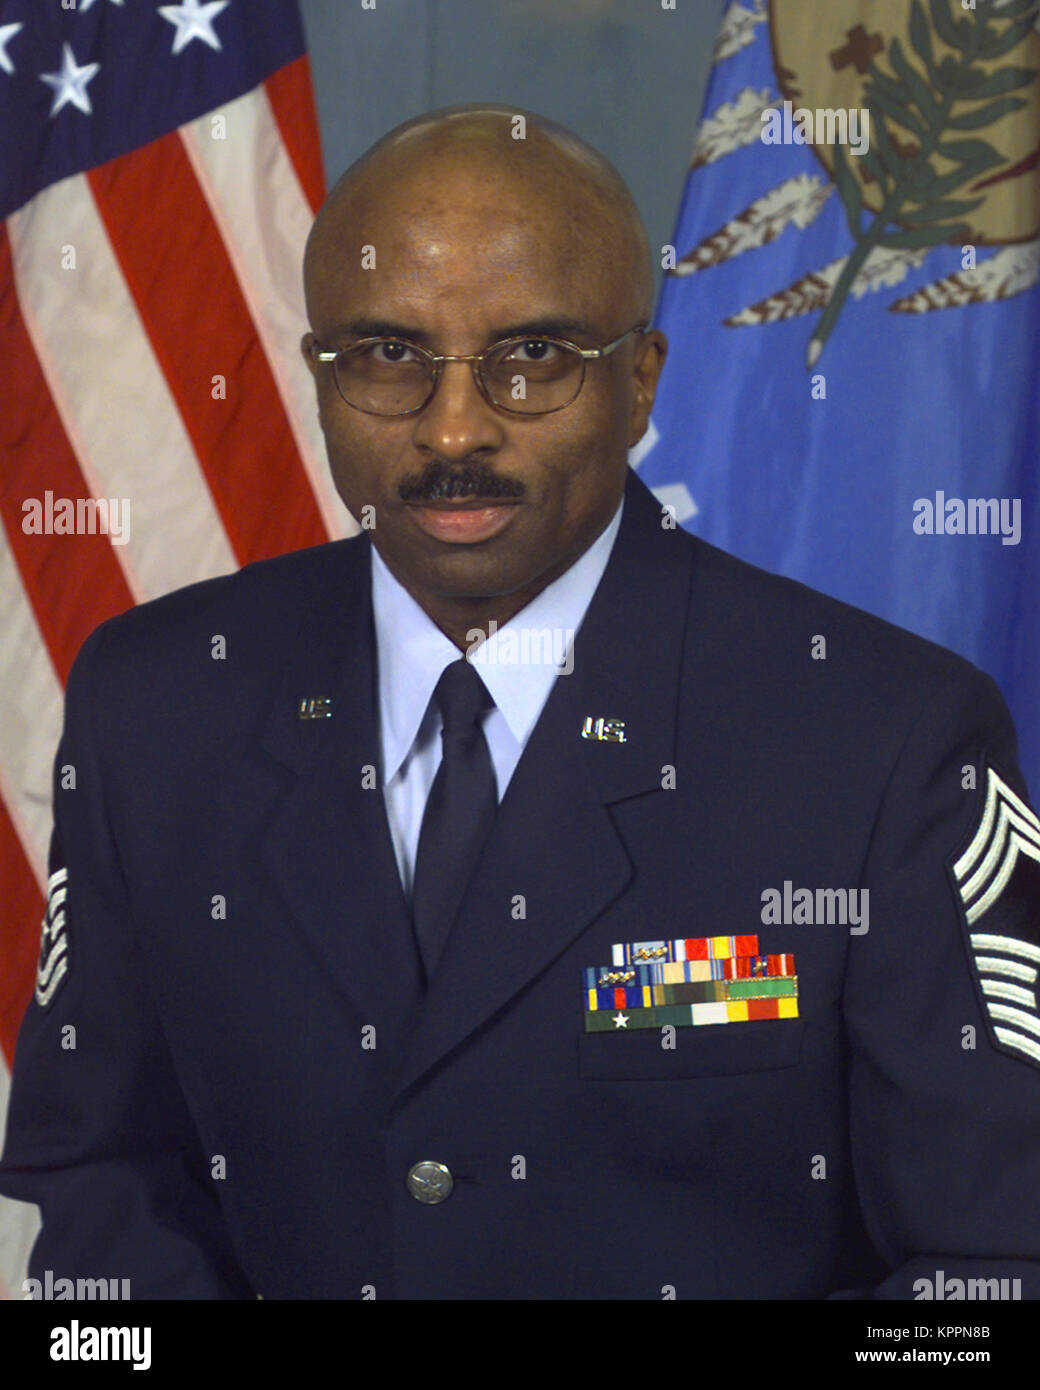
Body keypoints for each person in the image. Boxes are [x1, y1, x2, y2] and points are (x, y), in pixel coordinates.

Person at [2, 103, 1038, 1301]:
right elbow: (98, 1183)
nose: (455, 426)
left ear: (639, 381)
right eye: (389, 355)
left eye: (532, 357)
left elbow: (993, 1265)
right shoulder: (158, 705)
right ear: (318, 376)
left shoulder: (883, 739)